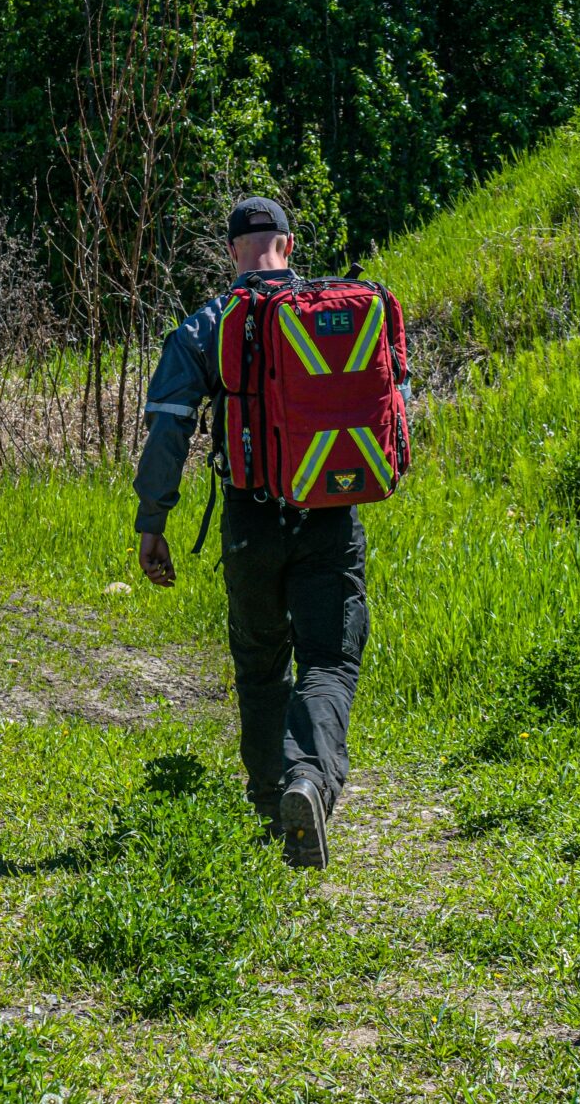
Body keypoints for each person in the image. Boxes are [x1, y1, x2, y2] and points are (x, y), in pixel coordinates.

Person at [132, 197, 374, 868]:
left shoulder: (209, 325)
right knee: (327, 659)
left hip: (250, 517)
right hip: (328, 515)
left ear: (233, 249)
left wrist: (154, 520)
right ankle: (310, 783)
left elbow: (168, 430)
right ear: (289, 247)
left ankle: (272, 802)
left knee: (261, 665)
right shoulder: (335, 315)